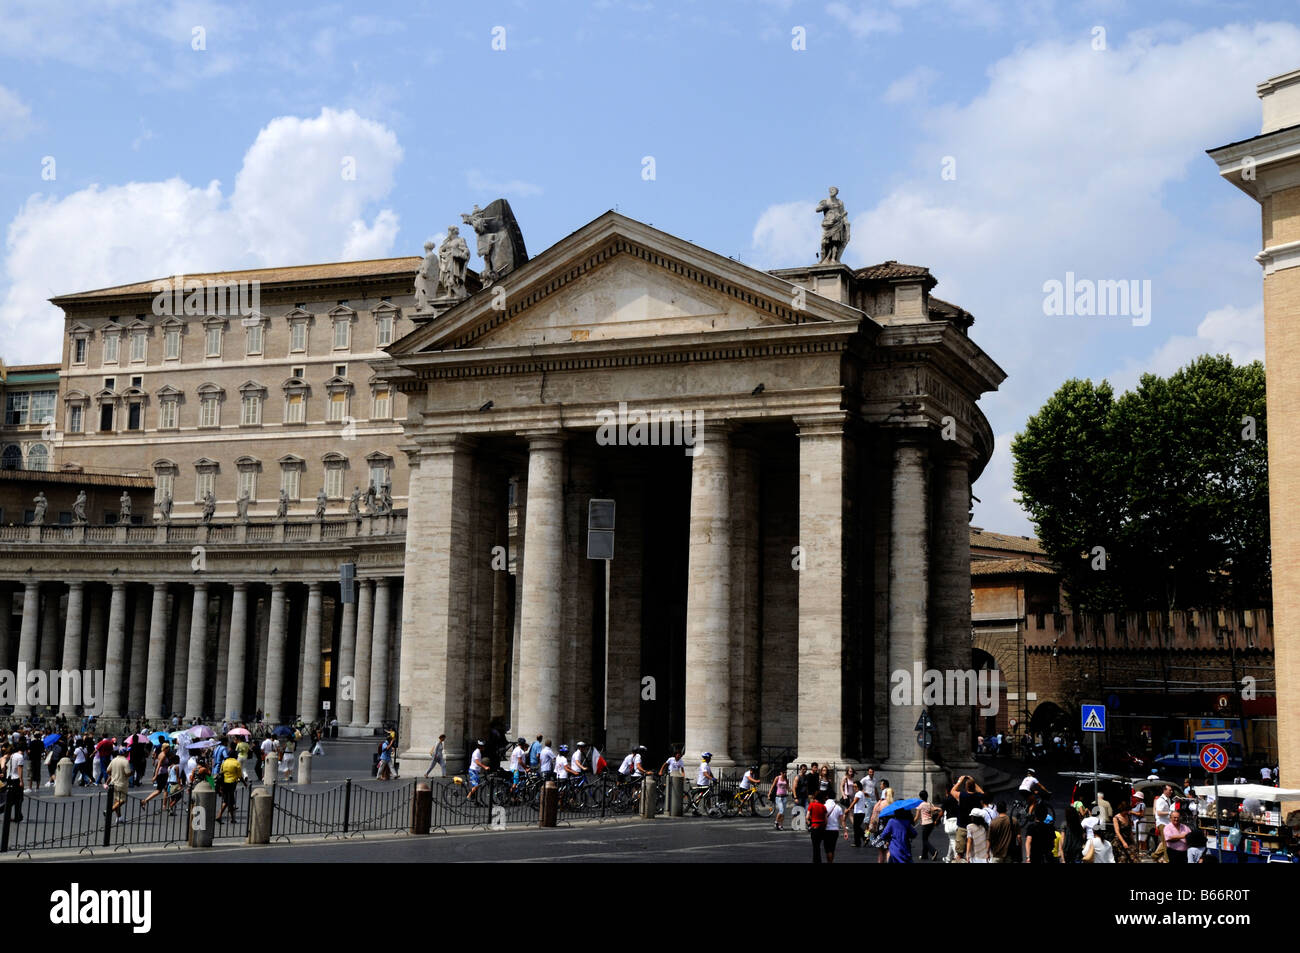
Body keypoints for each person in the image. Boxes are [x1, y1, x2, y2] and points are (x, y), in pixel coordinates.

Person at [215, 751, 241, 824]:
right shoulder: (236, 763)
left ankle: (232, 819)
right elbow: (239, 775)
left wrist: (220, 786)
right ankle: (219, 816)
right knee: (228, 801)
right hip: (231, 784)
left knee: (229, 801)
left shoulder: (225, 762)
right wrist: (245, 783)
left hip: (224, 784)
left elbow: (221, 773)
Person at [107, 748, 132, 824]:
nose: (128, 753)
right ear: (124, 753)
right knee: (122, 800)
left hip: (113, 783)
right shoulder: (125, 761)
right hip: (122, 783)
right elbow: (127, 773)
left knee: (117, 801)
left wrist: (114, 775)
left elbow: (108, 771)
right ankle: (109, 811)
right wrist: (132, 773)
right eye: (127, 752)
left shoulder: (114, 760)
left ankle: (119, 818)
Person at [823, 790, 847, 863]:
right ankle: (831, 861)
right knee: (832, 848)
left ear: (827, 796)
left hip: (826, 830)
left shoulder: (824, 806)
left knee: (827, 849)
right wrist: (845, 831)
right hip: (835, 830)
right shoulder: (838, 807)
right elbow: (842, 821)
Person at [808, 791, 829, 863]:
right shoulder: (823, 807)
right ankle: (818, 860)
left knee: (815, 846)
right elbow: (826, 820)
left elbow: (807, 817)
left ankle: (816, 861)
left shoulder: (811, 805)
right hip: (821, 828)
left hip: (814, 827)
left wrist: (810, 824)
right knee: (818, 845)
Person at [850, 782, 872, 848]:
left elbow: (854, 802)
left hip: (858, 813)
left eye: (855, 786)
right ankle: (860, 841)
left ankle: (862, 840)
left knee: (856, 827)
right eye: (853, 787)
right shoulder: (861, 793)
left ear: (859, 787)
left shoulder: (858, 793)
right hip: (860, 812)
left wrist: (848, 809)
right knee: (857, 828)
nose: (854, 788)